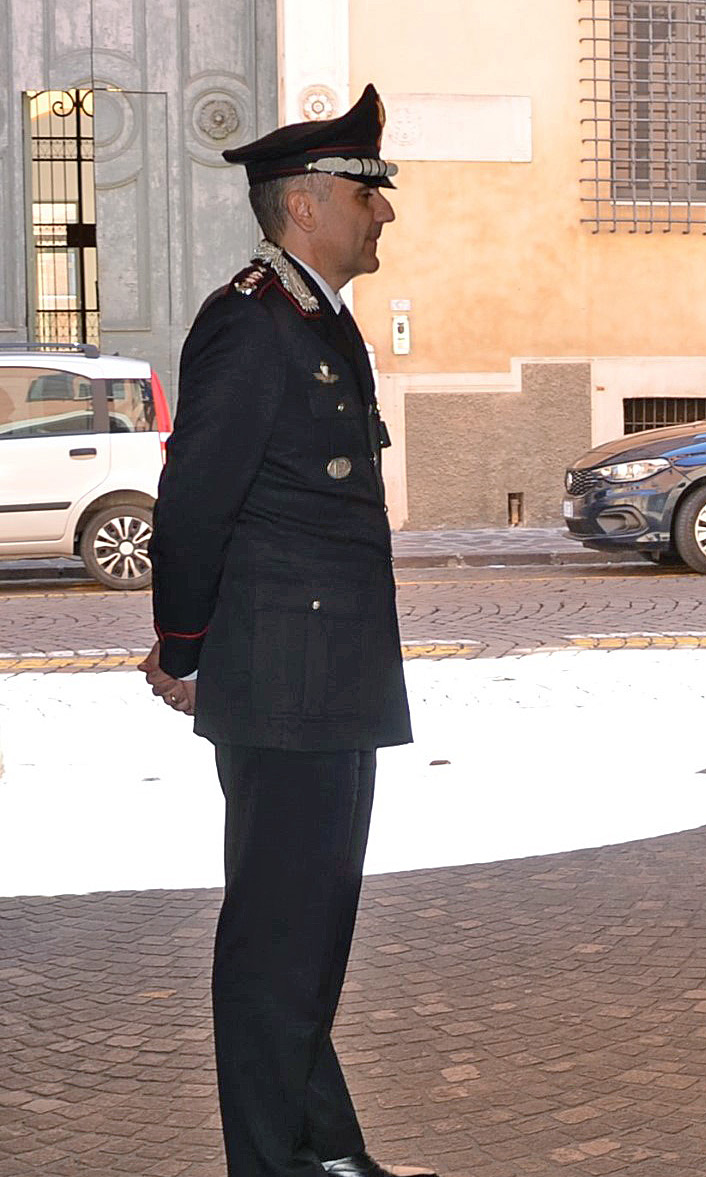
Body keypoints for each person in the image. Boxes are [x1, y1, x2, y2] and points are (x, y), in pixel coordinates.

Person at [139, 85, 425, 1177]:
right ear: (305, 205)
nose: (383, 210)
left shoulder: (317, 318)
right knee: (276, 944)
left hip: (331, 679)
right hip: (284, 683)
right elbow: (193, 504)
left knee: (310, 938)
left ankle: (324, 1151)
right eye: (366, 192)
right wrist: (185, 647)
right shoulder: (251, 322)